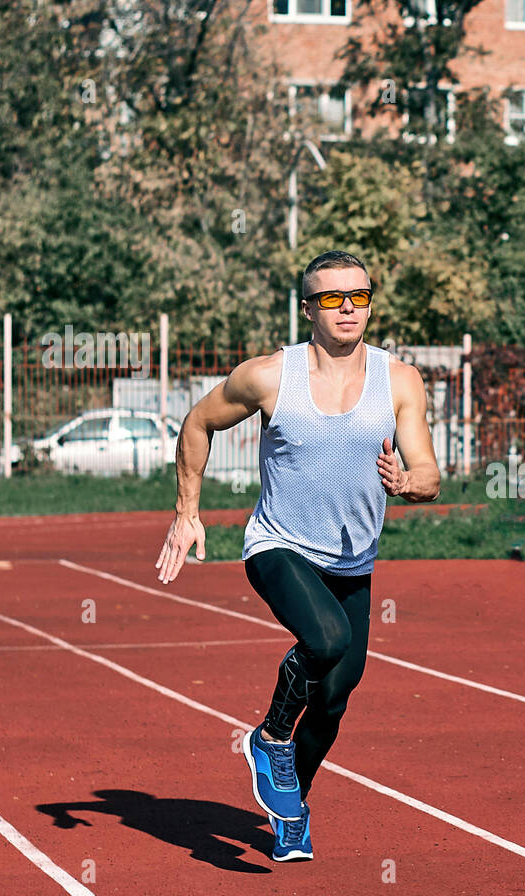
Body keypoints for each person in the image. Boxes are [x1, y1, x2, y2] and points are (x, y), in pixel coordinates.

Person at [154, 250, 441, 862]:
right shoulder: (267, 376)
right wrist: (187, 512)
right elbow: (198, 423)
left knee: (337, 694)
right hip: (278, 544)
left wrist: (409, 482)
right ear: (307, 307)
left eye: (358, 297)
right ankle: (270, 738)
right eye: (332, 298)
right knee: (327, 640)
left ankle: (291, 801)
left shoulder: (401, 380)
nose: (347, 308)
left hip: (353, 560)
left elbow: (429, 474)